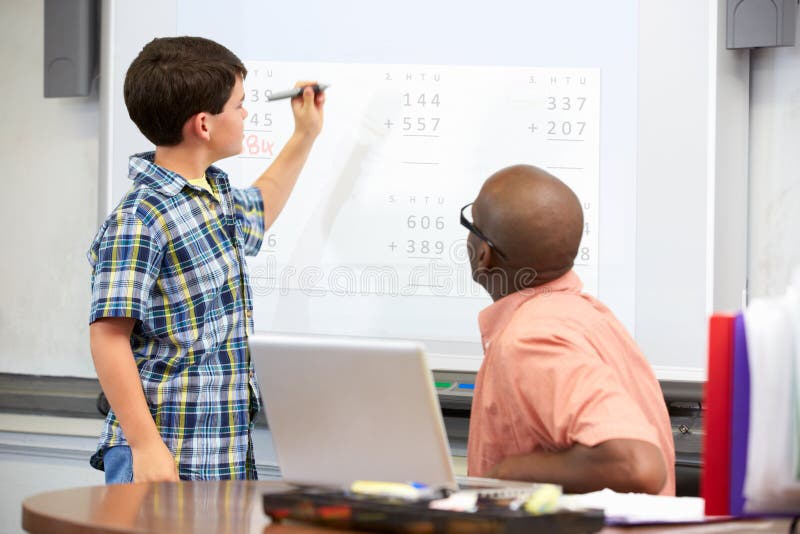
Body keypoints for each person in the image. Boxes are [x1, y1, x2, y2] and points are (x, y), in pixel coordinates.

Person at [87, 36, 324, 482]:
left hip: (222, 452)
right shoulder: (140, 218)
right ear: (203, 125)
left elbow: (262, 204)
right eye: (239, 105)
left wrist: (305, 135)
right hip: (164, 455)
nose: (245, 113)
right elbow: (108, 337)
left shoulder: (213, 196)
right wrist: (145, 446)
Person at [463, 164, 675, 495]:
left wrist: (507, 473)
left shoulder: (530, 340)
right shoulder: (591, 317)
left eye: (471, 224)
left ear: (482, 255)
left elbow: (636, 464)